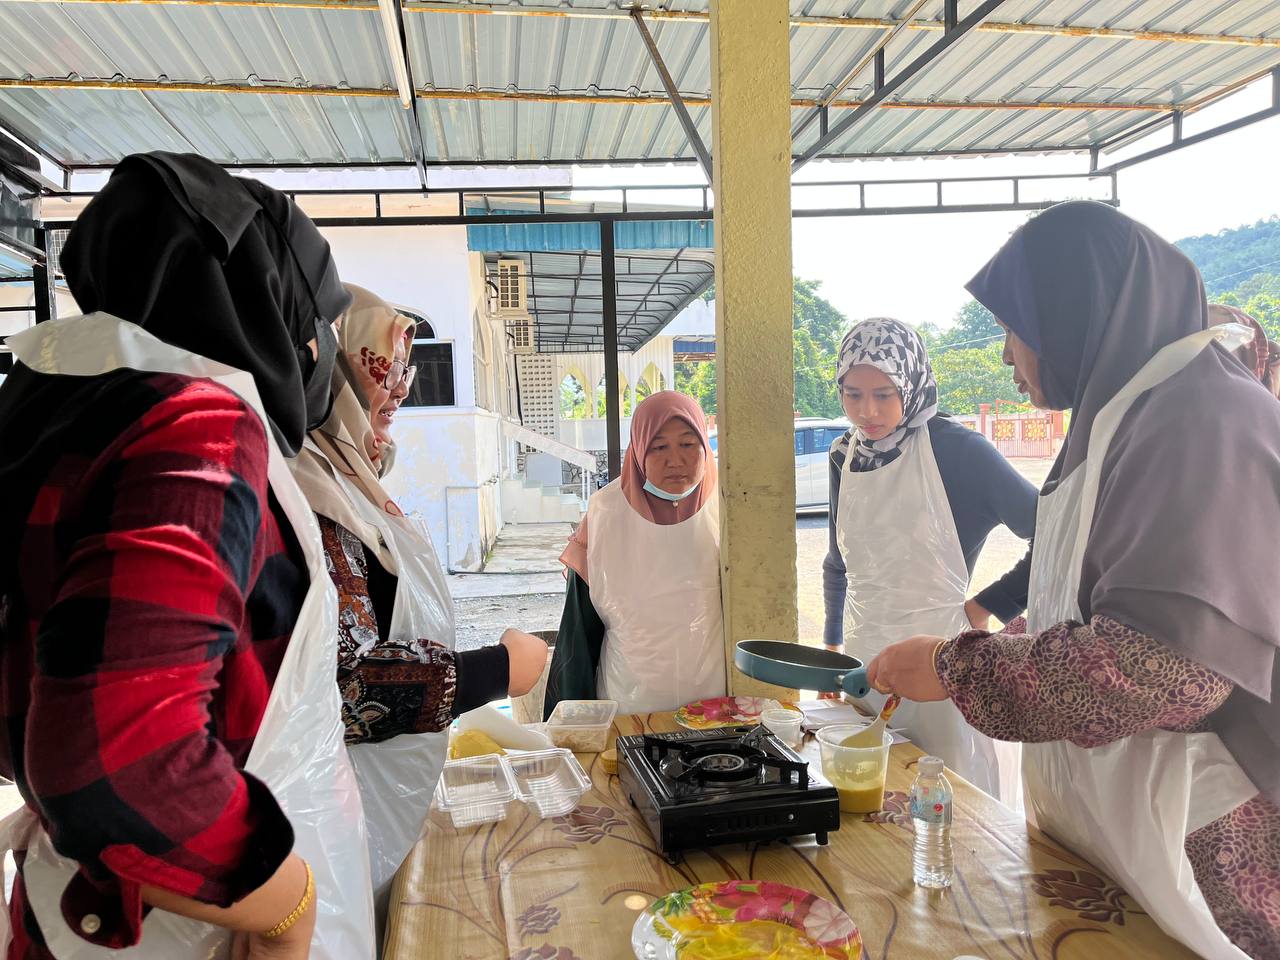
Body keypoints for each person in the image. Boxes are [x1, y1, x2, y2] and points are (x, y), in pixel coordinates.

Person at [868, 201, 1280, 959]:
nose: (1004, 357)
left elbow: (1164, 668)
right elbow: (1091, 599)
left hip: (1200, 849)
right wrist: (1007, 634)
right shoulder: (1127, 411)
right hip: (1114, 836)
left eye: (1015, 329)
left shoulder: (1200, 416)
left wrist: (954, 666)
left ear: (1073, 314)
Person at [0, 153, 375, 958]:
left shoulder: (54, 417)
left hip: (88, 903)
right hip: (197, 923)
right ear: (259, 301)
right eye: (314, 319)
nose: (317, 351)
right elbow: (121, 764)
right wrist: (283, 903)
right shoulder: (192, 425)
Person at [290, 283, 546, 921]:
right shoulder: (310, 489)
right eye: (385, 375)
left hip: (377, 796)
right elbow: (342, 686)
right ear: (331, 374)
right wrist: (492, 670)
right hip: (337, 810)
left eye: (406, 372)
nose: (402, 390)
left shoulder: (347, 479)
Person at [823, 317, 1036, 801]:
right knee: (869, 801)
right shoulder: (844, 454)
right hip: (863, 659)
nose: (867, 411)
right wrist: (831, 647)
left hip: (939, 659)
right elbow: (839, 562)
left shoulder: (960, 451)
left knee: (944, 801)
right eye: (852, 394)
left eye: (884, 393)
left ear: (913, 382)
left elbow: (1051, 535)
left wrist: (985, 607)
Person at [544, 391, 725, 717]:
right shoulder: (605, 513)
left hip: (714, 710)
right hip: (628, 709)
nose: (675, 460)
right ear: (639, 449)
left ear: (705, 445)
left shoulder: (727, 506)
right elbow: (578, 629)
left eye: (687, 444)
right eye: (658, 447)